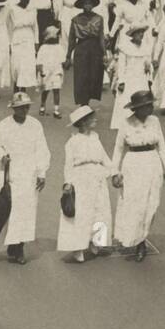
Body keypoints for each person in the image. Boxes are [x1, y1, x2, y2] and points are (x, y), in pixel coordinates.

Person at [0, 91, 51, 265]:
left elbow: (42, 150)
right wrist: (3, 156)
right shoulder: (4, 126)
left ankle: (19, 246)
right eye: (20, 108)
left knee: (27, 211)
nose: (23, 110)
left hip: (29, 173)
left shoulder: (35, 125)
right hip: (12, 173)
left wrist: (42, 173)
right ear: (13, 109)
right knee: (13, 210)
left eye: (26, 107)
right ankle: (13, 245)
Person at [111, 89, 165, 261]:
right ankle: (140, 242)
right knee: (135, 204)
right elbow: (118, 149)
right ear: (137, 109)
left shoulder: (155, 121)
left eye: (150, 105)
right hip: (133, 165)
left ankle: (141, 235)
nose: (150, 108)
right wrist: (115, 172)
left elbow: (162, 147)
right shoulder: (126, 123)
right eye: (146, 106)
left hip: (152, 164)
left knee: (152, 204)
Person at [58, 105, 115, 262]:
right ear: (82, 122)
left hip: (97, 178)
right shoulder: (72, 142)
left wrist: (114, 172)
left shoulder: (96, 138)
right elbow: (68, 165)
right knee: (82, 213)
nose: (95, 119)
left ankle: (96, 243)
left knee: (100, 210)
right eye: (91, 117)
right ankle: (78, 247)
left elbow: (104, 158)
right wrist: (68, 183)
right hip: (81, 180)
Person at [65, 0, 106, 107]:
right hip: (81, 48)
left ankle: (87, 101)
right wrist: (68, 56)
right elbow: (72, 39)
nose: (88, 6)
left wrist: (104, 53)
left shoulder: (99, 18)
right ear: (82, 5)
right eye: (85, 4)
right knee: (81, 76)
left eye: (90, 4)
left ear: (93, 5)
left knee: (94, 75)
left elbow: (101, 36)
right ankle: (83, 103)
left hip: (95, 49)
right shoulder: (76, 20)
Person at [35, 26, 64, 117]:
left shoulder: (59, 47)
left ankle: (56, 109)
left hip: (56, 71)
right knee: (45, 91)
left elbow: (62, 59)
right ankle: (42, 106)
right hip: (46, 72)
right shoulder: (43, 47)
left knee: (56, 90)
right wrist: (41, 72)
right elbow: (39, 62)